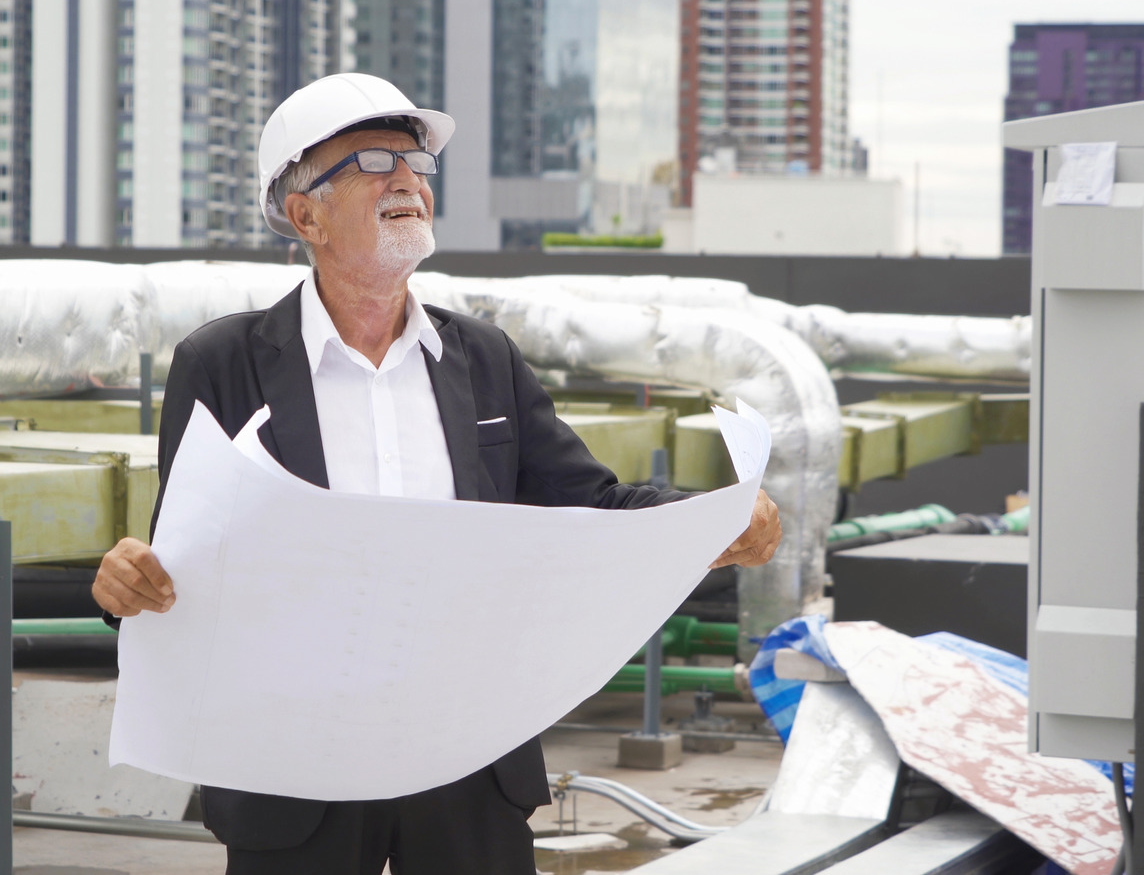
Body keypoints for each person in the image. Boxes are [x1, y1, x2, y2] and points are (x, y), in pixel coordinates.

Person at [92, 72, 781, 873]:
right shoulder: (223, 364)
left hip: (466, 753)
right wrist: (125, 585)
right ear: (303, 212)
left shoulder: (483, 360)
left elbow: (591, 506)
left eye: (417, 163)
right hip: (298, 765)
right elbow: (181, 561)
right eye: (373, 160)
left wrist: (713, 517)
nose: (407, 178)